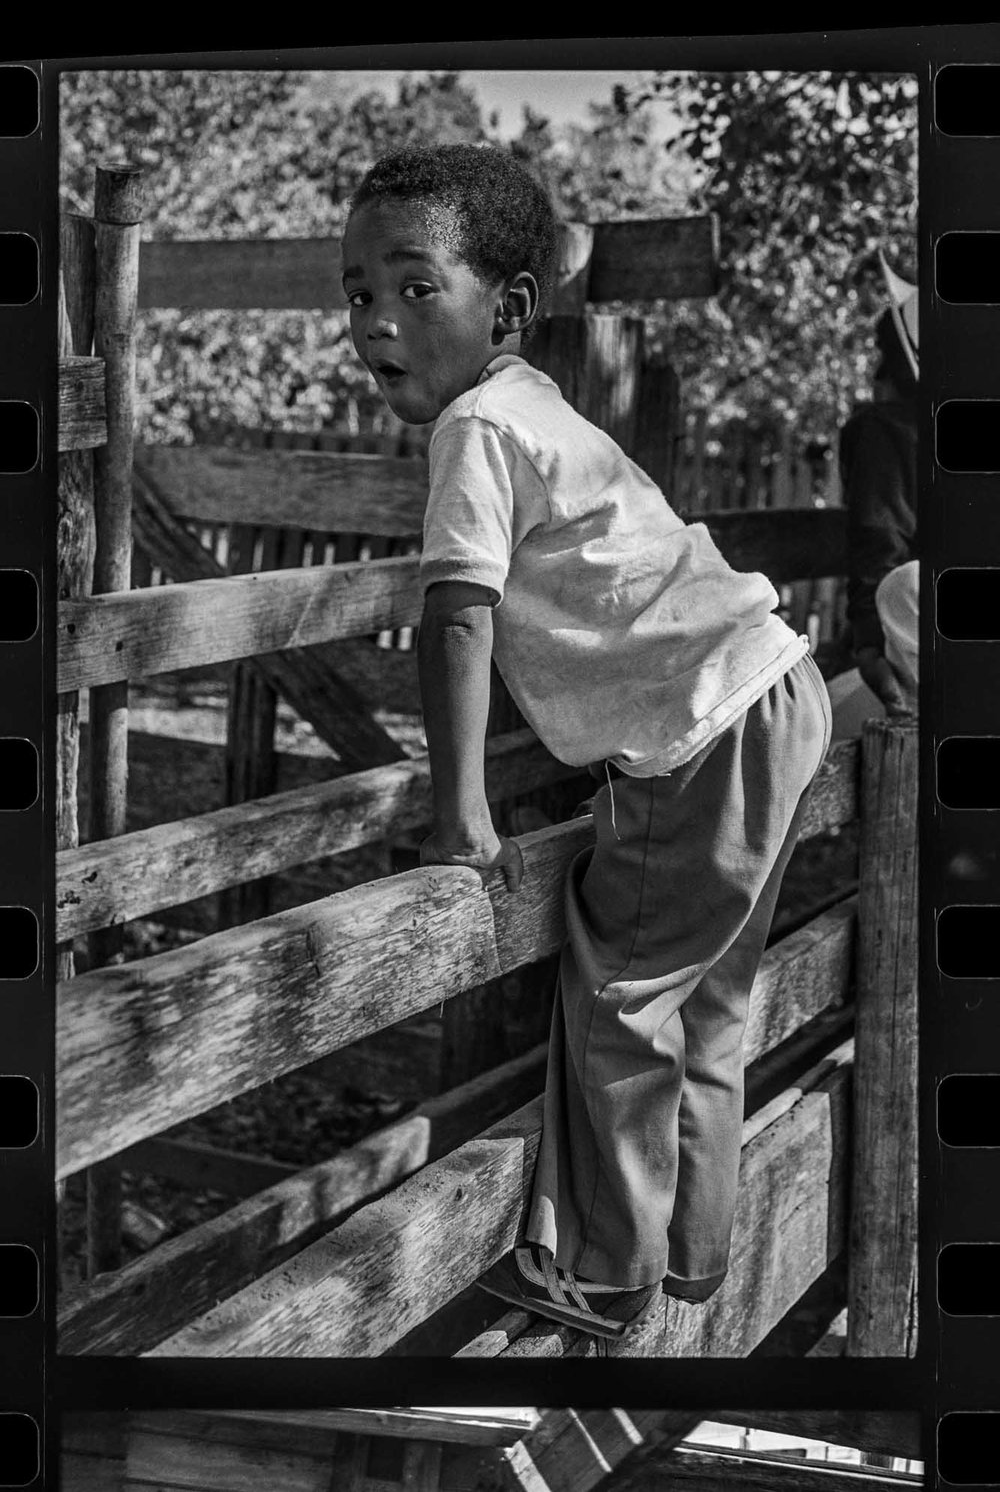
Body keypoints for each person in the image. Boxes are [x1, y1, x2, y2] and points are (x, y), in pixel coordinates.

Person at [341, 143, 832, 1341]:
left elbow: (457, 615)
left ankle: (608, 1273)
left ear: (503, 306)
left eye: (414, 288)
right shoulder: (536, 407)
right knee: (704, 1001)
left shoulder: (477, 429)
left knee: (619, 998)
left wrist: (459, 811)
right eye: (358, 292)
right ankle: (694, 1260)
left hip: (697, 737)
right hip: (770, 689)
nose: (375, 321)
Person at [829, 255, 919, 737]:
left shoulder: (883, 431)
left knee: (906, 586)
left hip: (917, 667)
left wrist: (866, 644)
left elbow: (878, 540)